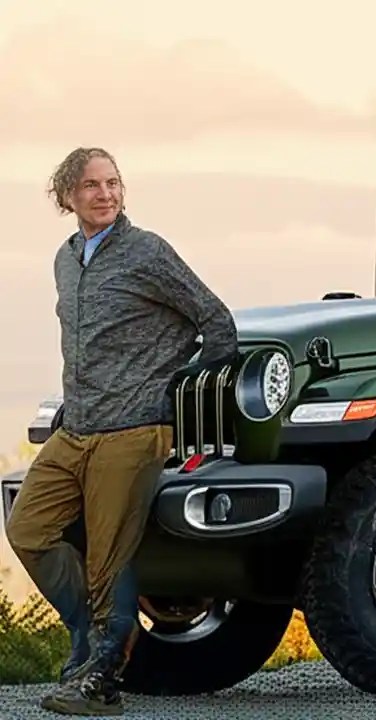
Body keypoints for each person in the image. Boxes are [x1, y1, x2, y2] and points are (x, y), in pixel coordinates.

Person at [4, 148, 238, 715]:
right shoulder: (66, 259)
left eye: (113, 183)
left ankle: (103, 678)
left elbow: (216, 323)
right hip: (77, 427)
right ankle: (90, 635)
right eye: (91, 185)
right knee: (28, 528)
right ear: (67, 197)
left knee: (109, 559)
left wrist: (175, 397)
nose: (106, 194)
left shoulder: (146, 252)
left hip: (132, 431)